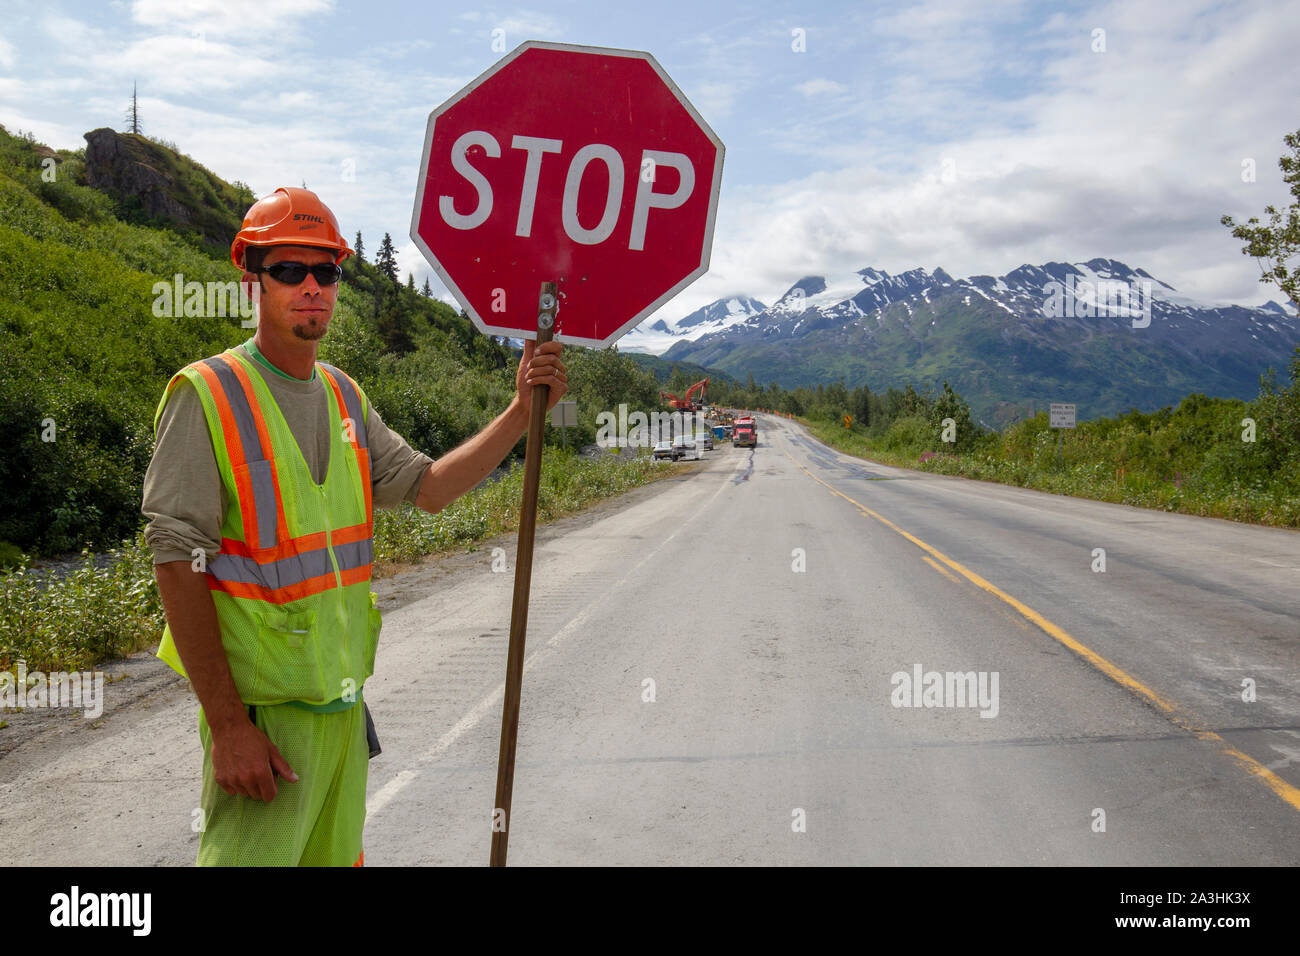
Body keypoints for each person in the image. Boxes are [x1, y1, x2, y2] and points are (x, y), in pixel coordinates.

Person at [142, 186, 567, 866]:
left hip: (342, 712)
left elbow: (428, 489)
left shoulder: (345, 395)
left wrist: (520, 412)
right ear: (251, 280)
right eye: (289, 270)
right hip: (265, 721)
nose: (311, 287)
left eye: (327, 272)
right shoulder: (207, 394)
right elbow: (175, 560)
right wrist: (227, 726)